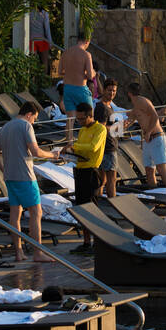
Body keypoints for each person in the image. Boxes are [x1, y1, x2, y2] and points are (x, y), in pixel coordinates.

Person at [0, 102, 60, 263]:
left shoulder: (5, 127)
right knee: (36, 212)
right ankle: (38, 253)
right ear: (29, 114)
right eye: (34, 119)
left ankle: (19, 252)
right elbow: (35, 152)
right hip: (25, 176)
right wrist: (52, 155)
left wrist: (4, 169)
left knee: (15, 214)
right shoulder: (26, 126)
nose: (33, 122)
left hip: (10, 176)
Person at [63, 101, 106, 254]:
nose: (80, 122)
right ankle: (86, 242)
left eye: (82, 119)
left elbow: (93, 147)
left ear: (90, 116)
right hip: (80, 170)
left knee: (92, 208)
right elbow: (81, 150)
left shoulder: (100, 129)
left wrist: (73, 146)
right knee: (81, 208)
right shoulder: (82, 130)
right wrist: (68, 153)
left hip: (92, 172)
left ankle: (97, 242)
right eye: (78, 119)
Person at [124, 82, 166, 187]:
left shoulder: (143, 101)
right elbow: (128, 122)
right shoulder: (136, 106)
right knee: (148, 170)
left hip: (156, 137)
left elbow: (155, 116)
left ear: (129, 93)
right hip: (148, 140)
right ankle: (154, 194)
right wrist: (112, 130)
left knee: (161, 168)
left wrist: (148, 132)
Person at [59, 32, 96, 143]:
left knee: (70, 119)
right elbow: (90, 75)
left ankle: (69, 143)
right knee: (89, 116)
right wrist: (94, 73)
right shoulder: (86, 55)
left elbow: (60, 71)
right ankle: (89, 142)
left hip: (68, 88)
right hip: (81, 89)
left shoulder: (65, 53)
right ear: (87, 41)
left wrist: (71, 72)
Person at [94, 84, 120, 199]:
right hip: (108, 147)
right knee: (111, 179)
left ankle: (97, 202)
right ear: (103, 90)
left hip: (106, 145)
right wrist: (116, 127)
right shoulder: (102, 107)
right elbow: (101, 127)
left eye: (114, 91)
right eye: (109, 90)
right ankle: (113, 204)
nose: (112, 93)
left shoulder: (109, 106)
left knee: (102, 180)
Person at [29, 3, 54, 75]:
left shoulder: (29, 13)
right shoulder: (44, 14)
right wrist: (50, 42)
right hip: (42, 40)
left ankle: (33, 80)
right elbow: (47, 29)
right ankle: (45, 79)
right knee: (44, 62)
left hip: (32, 40)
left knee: (32, 62)